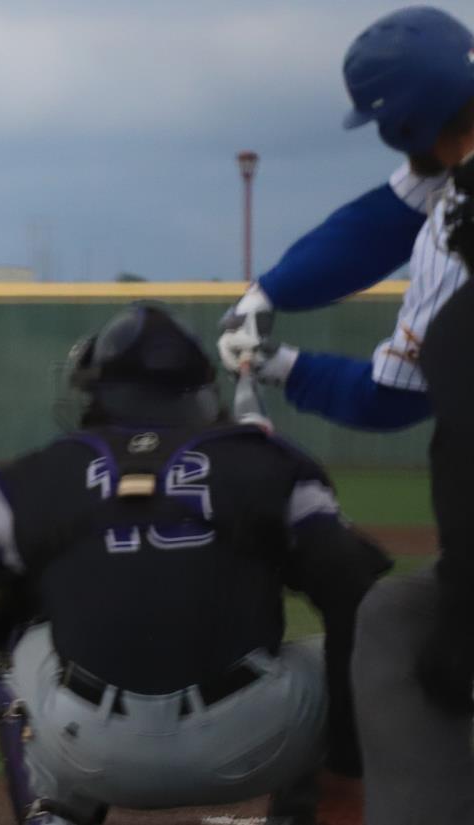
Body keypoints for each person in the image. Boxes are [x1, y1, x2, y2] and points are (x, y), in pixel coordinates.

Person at [0, 302, 390, 825]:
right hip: (255, 740)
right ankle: (319, 812)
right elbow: (356, 588)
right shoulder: (268, 462)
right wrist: (348, 771)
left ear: (97, 393)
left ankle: (53, 812)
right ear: (202, 392)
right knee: (382, 649)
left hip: (91, 751)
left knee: (25, 646)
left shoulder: (48, 471)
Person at [216, 7, 474, 822]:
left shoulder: (458, 222)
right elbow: (376, 223)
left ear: (401, 123)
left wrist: (282, 365)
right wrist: (273, 291)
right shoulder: (444, 182)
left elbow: (394, 397)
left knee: (400, 629)